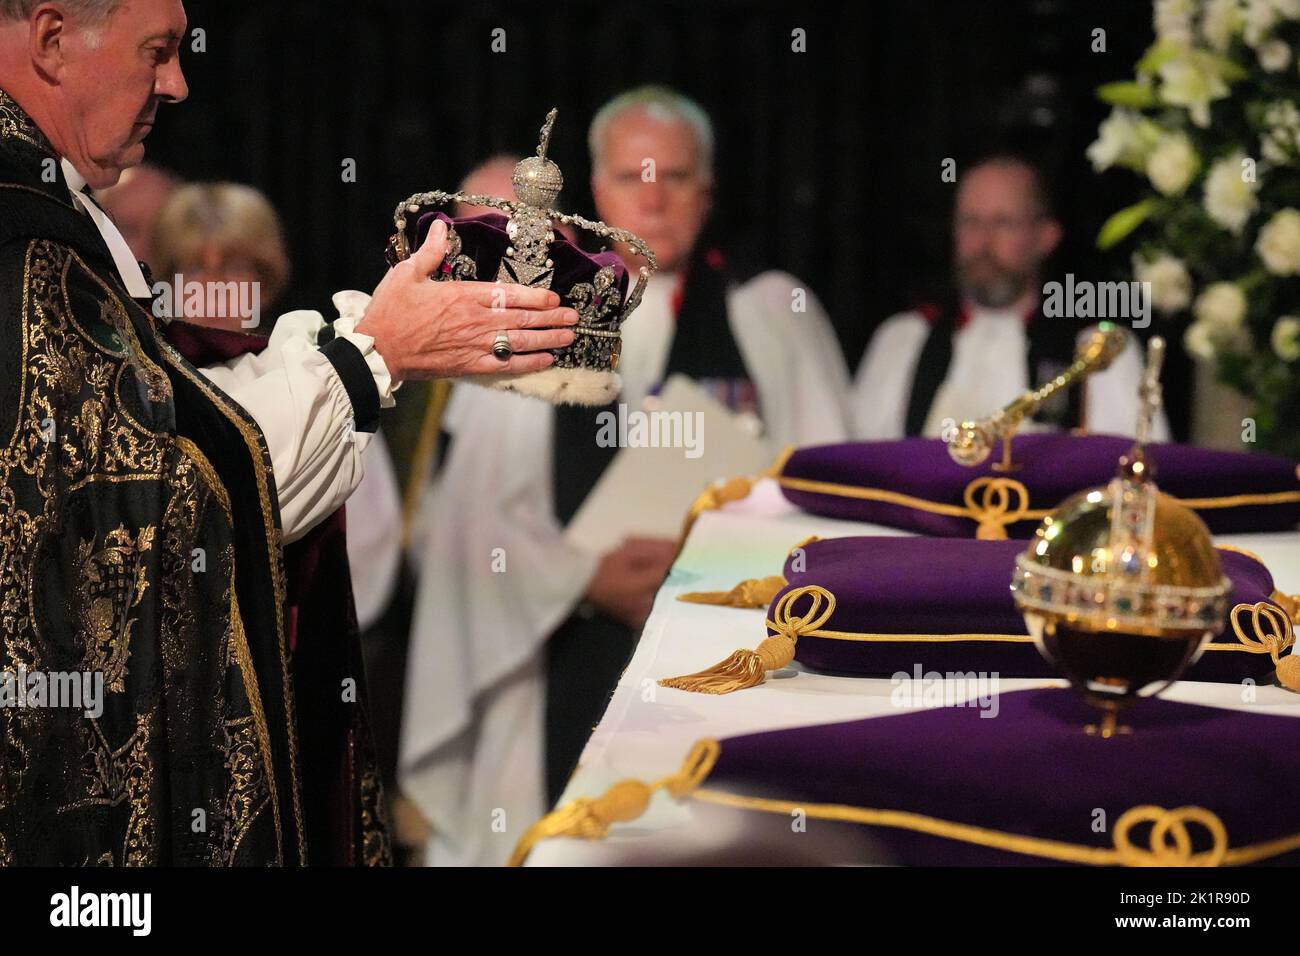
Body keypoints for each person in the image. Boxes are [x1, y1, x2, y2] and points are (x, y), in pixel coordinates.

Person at [0, 0, 577, 866]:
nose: (180, 84)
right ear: (52, 41)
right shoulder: (24, 240)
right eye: (157, 52)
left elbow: (175, 428)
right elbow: (144, 515)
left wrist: (374, 351)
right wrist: (372, 357)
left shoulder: (57, 213)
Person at [399, 85, 852, 867]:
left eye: (675, 178)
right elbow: (470, 524)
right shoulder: (540, 318)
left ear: (706, 194)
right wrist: (582, 576)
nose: (654, 197)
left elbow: (834, 496)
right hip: (565, 657)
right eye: (632, 176)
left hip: (727, 648)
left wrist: (711, 565)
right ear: (598, 188)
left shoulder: (771, 317)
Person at [152, 181, 403, 630]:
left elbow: (369, 534)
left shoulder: (312, 371)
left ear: (265, 282)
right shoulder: (145, 383)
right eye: (194, 268)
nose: (212, 288)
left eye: (231, 267)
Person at [852, 154, 1169, 440]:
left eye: (1003, 222)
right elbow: (857, 465)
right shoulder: (904, 339)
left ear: (1046, 237)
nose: (983, 241)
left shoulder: (1097, 350)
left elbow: (1136, 469)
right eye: (970, 221)